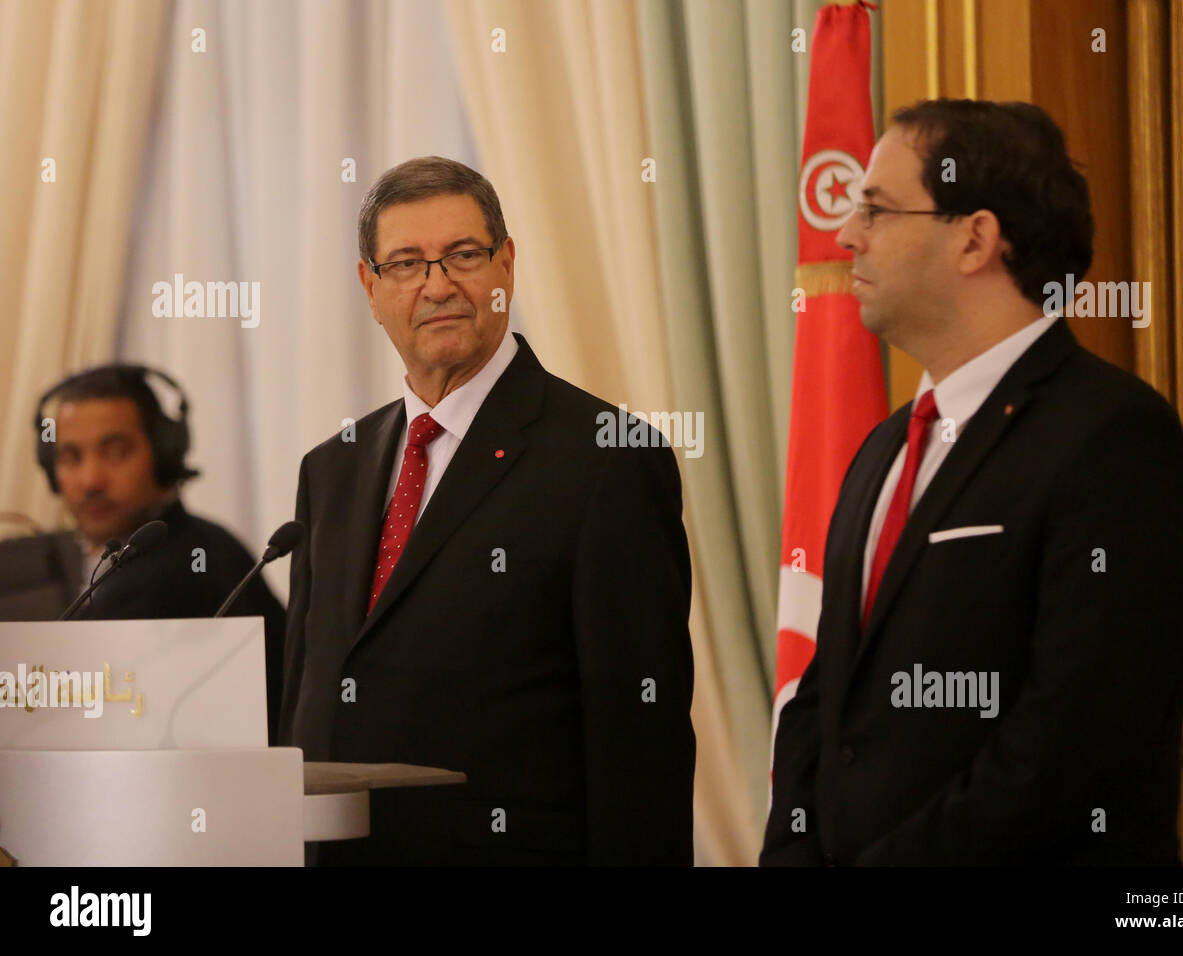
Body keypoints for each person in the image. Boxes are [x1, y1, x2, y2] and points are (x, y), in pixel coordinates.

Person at [762, 99, 1183, 865]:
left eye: (875, 208)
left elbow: (1072, 747)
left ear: (975, 237)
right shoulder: (882, 450)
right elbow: (821, 703)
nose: (846, 237)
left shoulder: (1114, 439)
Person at [279, 157, 695, 865]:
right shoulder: (332, 469)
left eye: (463, 256)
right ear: (370, 287)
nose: (438, 285)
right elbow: (305, 704)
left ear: (506, 265)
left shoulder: (605, 458)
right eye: (406, 263)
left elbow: (639, 744)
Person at [34, 364, 286, 739]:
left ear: (165, 453)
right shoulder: (202, 542)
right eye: (71, 457)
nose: (90, 480)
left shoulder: (169, 574)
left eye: (116, 452)